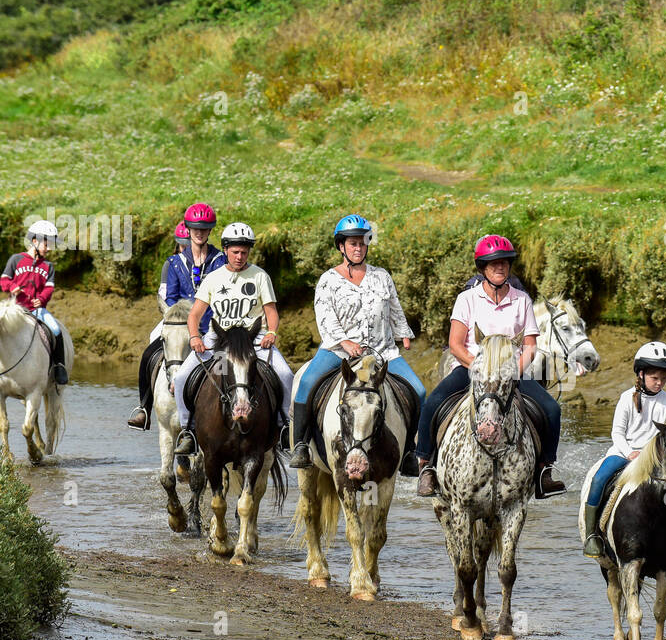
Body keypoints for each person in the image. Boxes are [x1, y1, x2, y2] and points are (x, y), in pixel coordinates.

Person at [415, 235, 565, 499]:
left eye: (505, 263)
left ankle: (544, 472)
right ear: (483, 268)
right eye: (493, 264)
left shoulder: (522, 300)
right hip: (472, 368)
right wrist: (482, 369)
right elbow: (456, 344)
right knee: (433, 402)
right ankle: (426, 466)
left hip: (511, 372)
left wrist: (512, 371)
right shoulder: (467, 299)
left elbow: (530, 345)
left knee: (552, 409)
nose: (500, 268)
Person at [287, 214, 425, 469]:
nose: (358, 248)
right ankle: (301, 446)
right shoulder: (328, 280)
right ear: (342, 246)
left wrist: (403, 332)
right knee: (306, 382)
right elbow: (325, 318)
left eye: (362, 243)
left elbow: (394, 307)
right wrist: (345, 342)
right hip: (339, 351)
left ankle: (409, 453)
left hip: (382, 351)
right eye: (353, 243)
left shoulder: (382, 276)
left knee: (419, 390)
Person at [172, 223, 294, 455]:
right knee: (181, 378)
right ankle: (187, 429)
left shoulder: (260, 276)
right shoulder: (213, 278)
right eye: (235, 252)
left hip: (253, 340)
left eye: (244, 252)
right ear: (226, 250)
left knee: (286, 374)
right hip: (219, 341)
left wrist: (271, 332)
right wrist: (195, 337)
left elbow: (271, 313)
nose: (240, 257)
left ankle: (284, 426)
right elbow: (195, 314)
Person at [582, 342, 666, 559]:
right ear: (642, 374)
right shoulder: (627, 398)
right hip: (623, 452)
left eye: (664, 379)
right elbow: (617, 432)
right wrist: (630, 453)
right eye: (655, 378)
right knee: (599, 479)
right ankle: (592, 535)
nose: (660, 383)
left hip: (653, 457)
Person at [127, 205, 227, 429]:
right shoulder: (173, 263)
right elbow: (170, 297)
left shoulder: (221, 261)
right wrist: (185, 319)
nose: (199, 233)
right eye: (195, 228)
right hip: (181, 324)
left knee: (229, 364)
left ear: (210, 231)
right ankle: (144, 407)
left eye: (204, 229)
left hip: (212, 324)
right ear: (188, 229)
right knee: (148, 353)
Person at [0, 219, 69, 384]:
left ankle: (59, 366)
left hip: (36, 310)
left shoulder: (48, 266)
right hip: (14, 309)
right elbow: (4, 280)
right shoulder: (15, 260)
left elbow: (49, 288)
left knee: (56, 330)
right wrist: (12, 287)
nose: (50, 248)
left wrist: (42, 299)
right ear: (35, 241)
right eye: (47, 244)